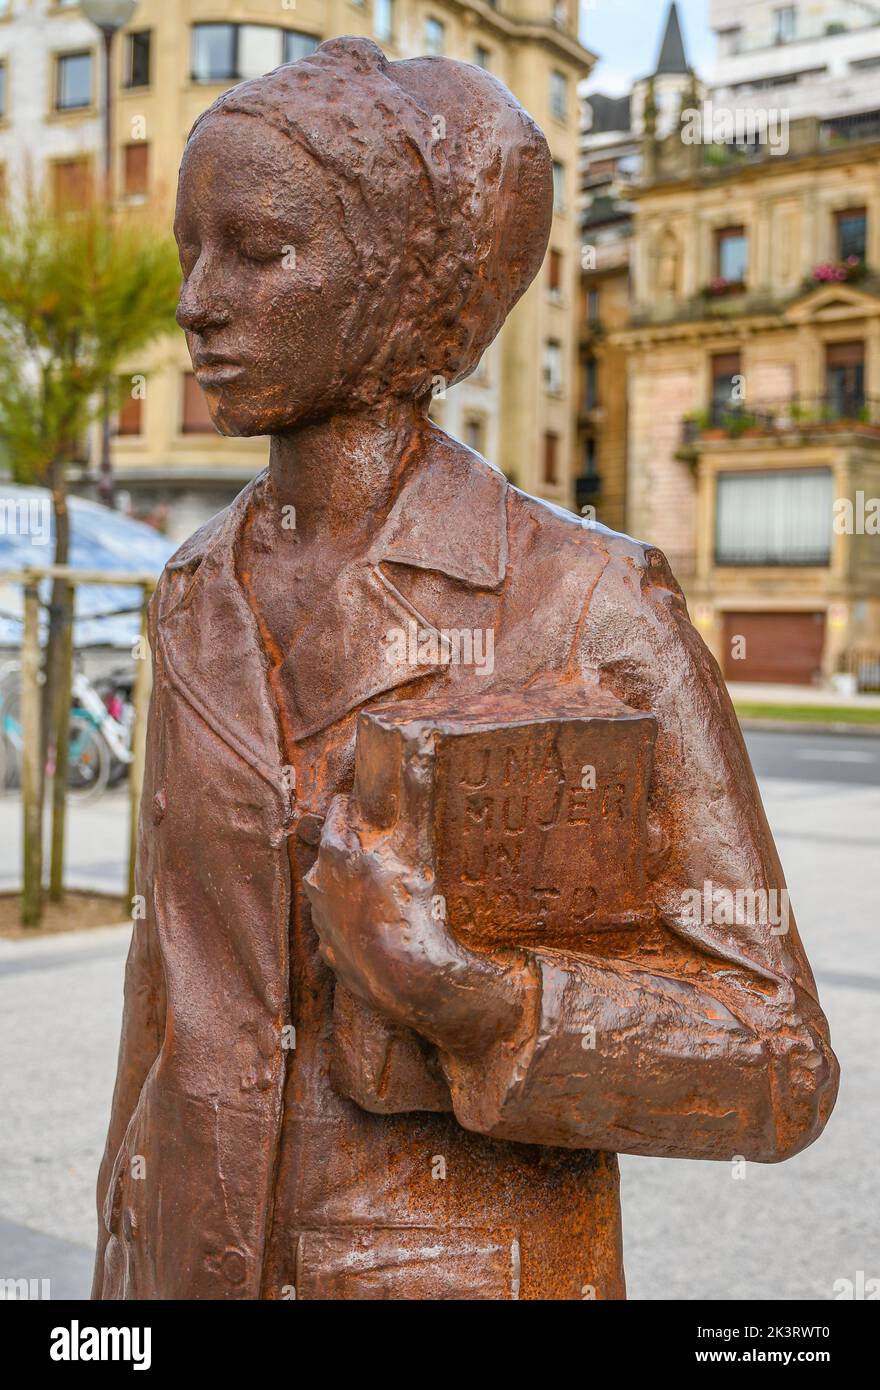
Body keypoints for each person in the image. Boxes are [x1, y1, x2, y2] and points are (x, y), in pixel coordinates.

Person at [92, 37, 837, 1301]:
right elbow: (165, 988)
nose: (197, 301)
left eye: (260, 252)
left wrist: (481, 1000)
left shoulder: (589, 598)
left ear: (396, 286)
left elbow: (779, 1062)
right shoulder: (193, 589)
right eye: (190, 251)